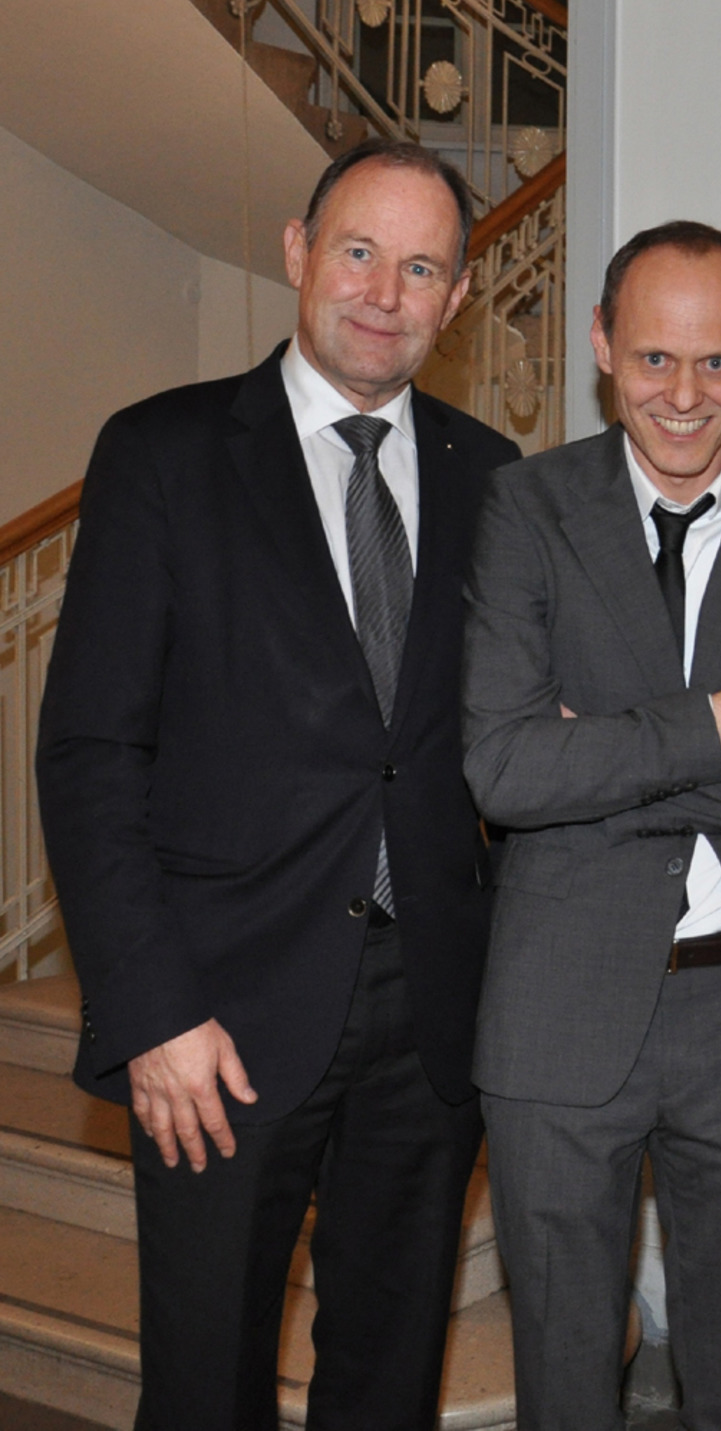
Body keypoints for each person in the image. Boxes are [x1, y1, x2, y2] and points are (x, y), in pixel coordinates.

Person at [35, 139, 520, 1428]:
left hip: (431, 1019)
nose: (384, 293)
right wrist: (148, 1009)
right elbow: (89, 754)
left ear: (459, 296)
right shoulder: (164, 452)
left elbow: (510, 745)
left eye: (421, 268)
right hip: (218, 1018)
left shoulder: (494, 477)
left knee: (390, 1379)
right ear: (299, 252)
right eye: (358, 251)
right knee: (206, 1386)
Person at [460, 219, 721, 1431]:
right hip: (555, 1011)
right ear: (601, 345)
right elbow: (504, 770)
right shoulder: (526, 508)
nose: (682, 396)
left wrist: (598, 753)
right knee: (563, 1380)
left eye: (712, 362)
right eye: (652, 359)